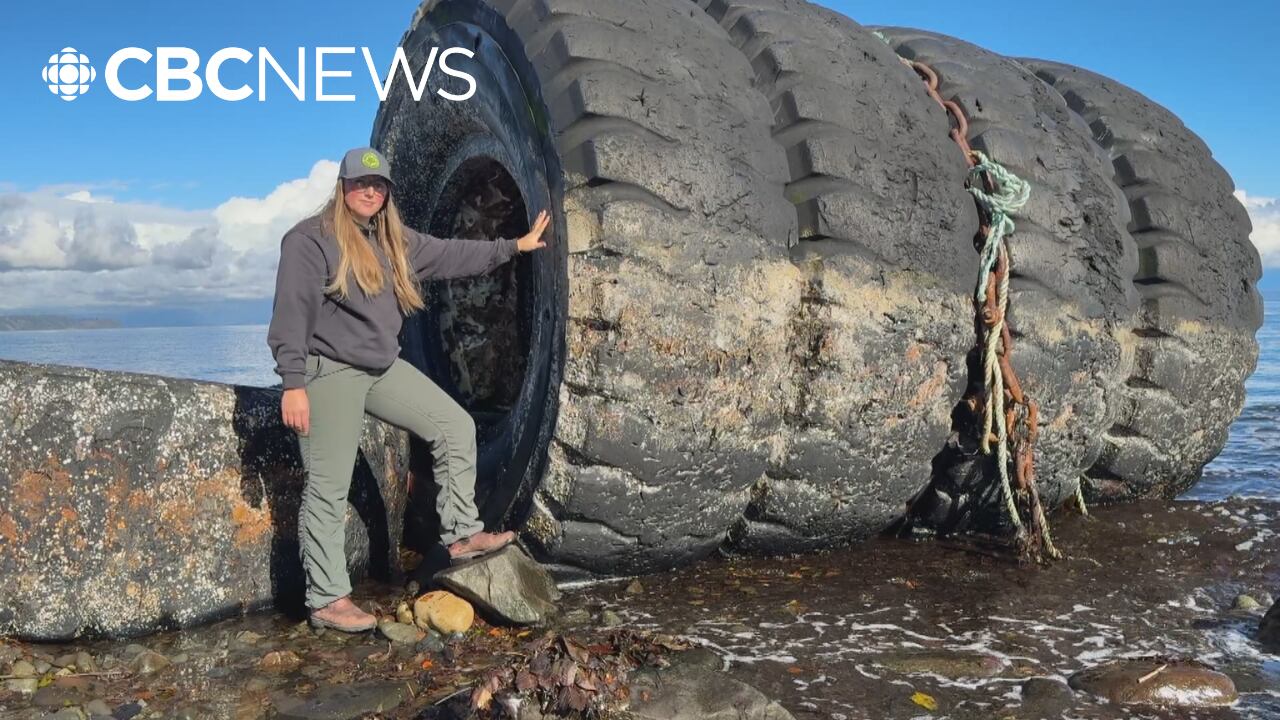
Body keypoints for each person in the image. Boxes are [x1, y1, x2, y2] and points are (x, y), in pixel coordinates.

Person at [267, 146, 551, 632]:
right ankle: (327, 599)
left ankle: (461, 535)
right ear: (342, 187)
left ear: (386, 193)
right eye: (360, 184)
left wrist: (514, 247)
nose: (369, 192)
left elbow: (451, 253)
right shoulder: (309, 240)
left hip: (380, 368)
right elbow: (291, 315)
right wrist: (292, 383)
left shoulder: (394, 239)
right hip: (328, 371)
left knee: (453, 425)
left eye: (378, 186)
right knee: (329, 487)